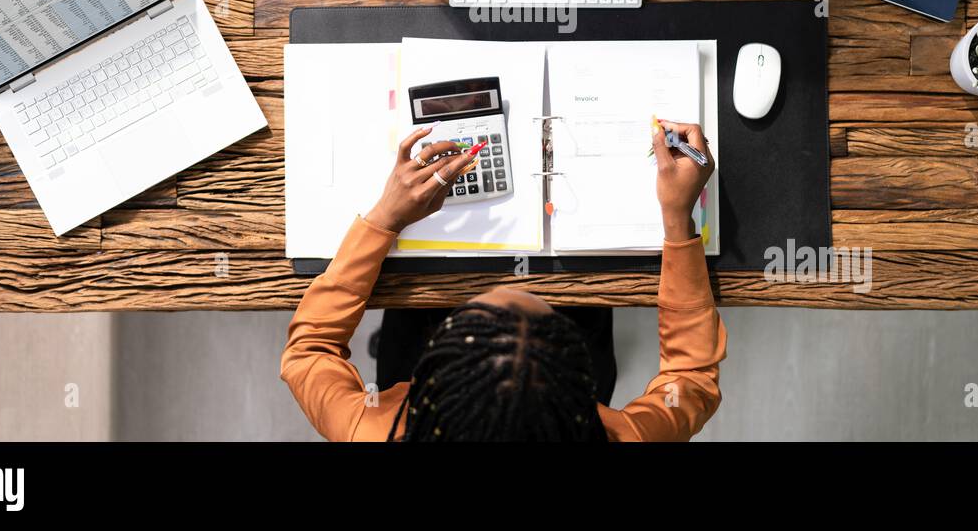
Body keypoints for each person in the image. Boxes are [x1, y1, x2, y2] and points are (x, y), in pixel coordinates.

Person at [280, 118, 726, 441]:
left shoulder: (374, 429)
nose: (506, 286)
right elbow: (692, 377)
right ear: (582, 401)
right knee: (589, 310)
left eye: (471, 315)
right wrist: (677, 219)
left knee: (405, 317)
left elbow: (306, 354)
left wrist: (382, 219)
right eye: (548, 318)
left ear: (425, 389)